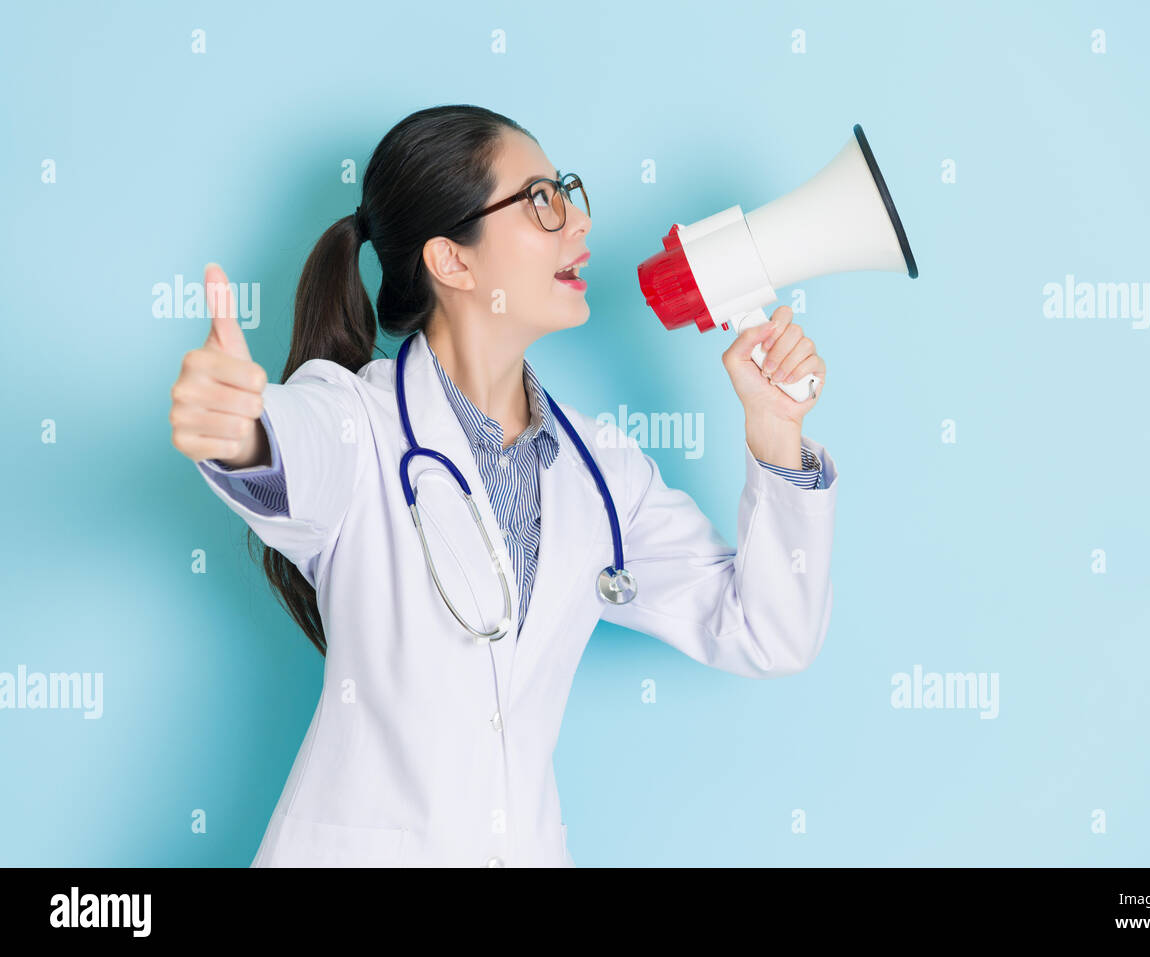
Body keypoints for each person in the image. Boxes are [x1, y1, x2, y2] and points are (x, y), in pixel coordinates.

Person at [168, 104, 838, 867]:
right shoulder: (358, 419)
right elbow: (284, 444)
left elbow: (768, 631)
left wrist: (775, 434)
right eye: (542, 201)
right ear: (454, 261)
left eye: (568, 193)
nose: (579, 222)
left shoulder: (602, 469)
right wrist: (235, 426)